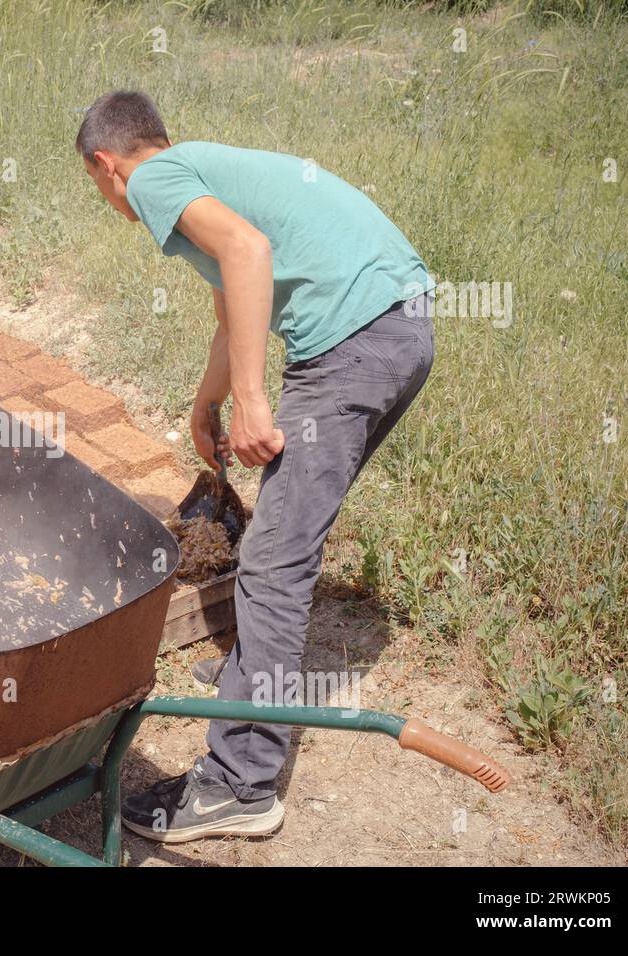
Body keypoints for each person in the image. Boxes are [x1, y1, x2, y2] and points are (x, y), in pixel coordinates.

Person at [77, 90, 435, 841]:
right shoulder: (206, 170)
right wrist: (206, 404)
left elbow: (249, 254)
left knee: (273, 559)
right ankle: (254, 681)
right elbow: (232, 296)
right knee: (286, 530)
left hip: (353, 342)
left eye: (97, 187)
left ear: (107, 165)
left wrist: (249, 398)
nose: (110, 201)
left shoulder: (153, 179)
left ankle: (241, 783)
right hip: (399, 324)